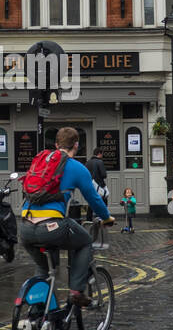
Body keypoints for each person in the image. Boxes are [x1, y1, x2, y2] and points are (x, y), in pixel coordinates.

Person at [19, 127, 114, 305]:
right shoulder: (76, 167)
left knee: (43, 268)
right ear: (76, 145)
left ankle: (39, 315)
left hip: (25, 227)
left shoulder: (42, 161)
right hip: (51, 227)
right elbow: (94, 198)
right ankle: (76, 291)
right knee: (85, 241)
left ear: (56, 144)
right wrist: (107, 218)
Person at [85, 146, 108, 218]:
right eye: (102, 154)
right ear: (99, 154)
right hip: (99, 185)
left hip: (90, 185)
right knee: (104, 201)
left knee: (92, 202)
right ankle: (104, 217)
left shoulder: (88, 162)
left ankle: (89, 219)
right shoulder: (99, 162)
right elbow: (104, 175)